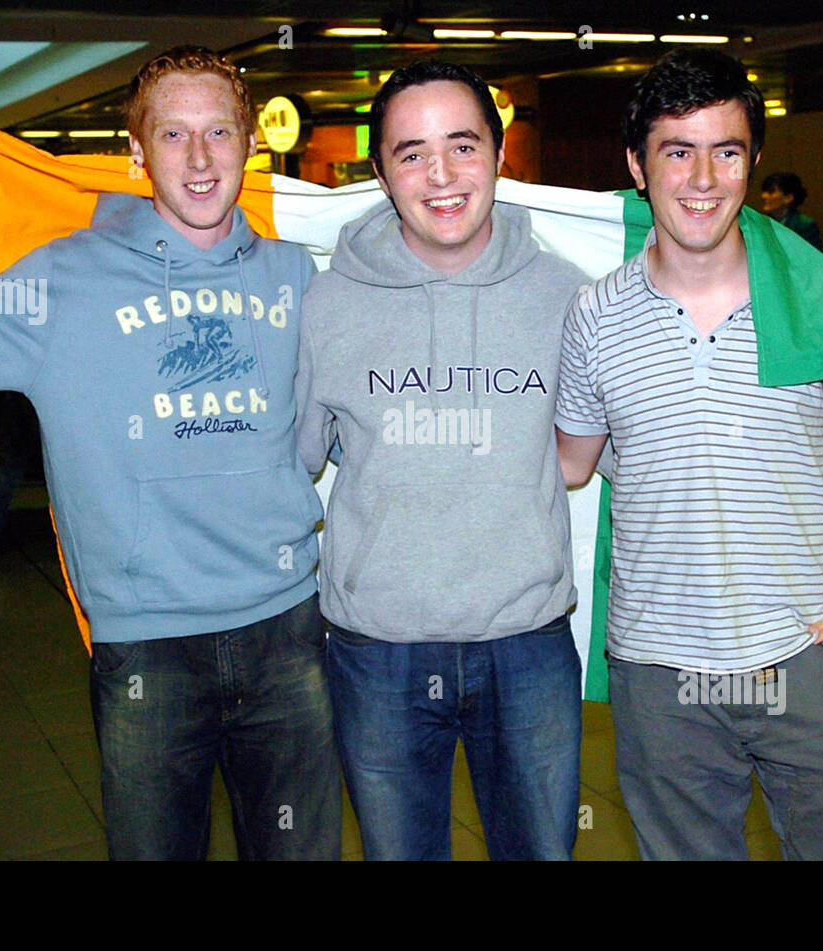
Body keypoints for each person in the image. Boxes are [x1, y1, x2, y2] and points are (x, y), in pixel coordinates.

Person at [0, 46, 340, 861]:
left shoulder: (295, 275)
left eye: (219, 131)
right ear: (136, 152)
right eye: (172, 133)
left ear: (250, 144)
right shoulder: (62, 283)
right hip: (147, 648)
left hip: (286, 630)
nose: (197, 157)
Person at [554, 48, 823, 860]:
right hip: (658, 674)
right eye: (677, 150)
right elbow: (568, 461)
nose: (703, 177)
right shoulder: (594, 316)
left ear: (754, 161)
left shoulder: (814, 305)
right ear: (638, 165)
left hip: (807, 655)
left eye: (727, 150)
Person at [295, 61, 587, 861]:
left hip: (528, 643)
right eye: (411, 153)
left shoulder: (571, 297)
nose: (442, 176)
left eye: (462, 146)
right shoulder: (324, 305)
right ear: (381, 173)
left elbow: (583, 457)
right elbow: (289, 464)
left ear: (499, 153)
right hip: (376, 652)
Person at [759, 170, 821, 249]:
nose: (763, 196)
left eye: (771, 192)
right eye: (764, 191)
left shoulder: (804, 226)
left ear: (788, 198)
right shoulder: (762, 222)